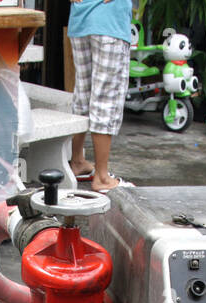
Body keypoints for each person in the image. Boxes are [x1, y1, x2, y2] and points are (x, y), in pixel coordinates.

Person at [67, 0, 134, 192]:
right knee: (105, 99)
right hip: (109, 22)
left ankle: (77, 160)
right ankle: (102, 177)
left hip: (81, 21)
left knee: (83, 94)